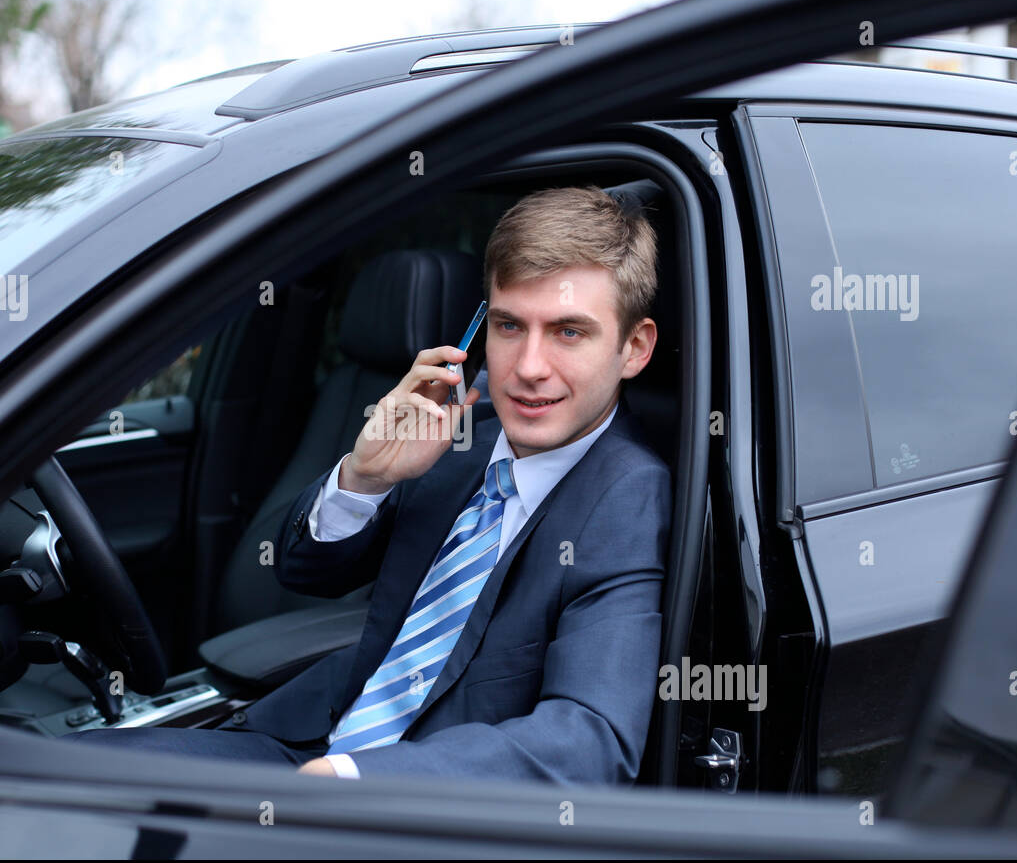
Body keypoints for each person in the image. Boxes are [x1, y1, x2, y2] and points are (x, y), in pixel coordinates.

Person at [67, 185, 672, 786]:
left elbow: (590, 739)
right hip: (303, 740)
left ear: (634, 348)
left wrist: (355, 782)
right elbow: (304, 571)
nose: (530, 366)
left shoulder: (628, 494)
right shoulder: (457, 437)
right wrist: (364, 478)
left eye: (569, 332)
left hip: (425, 806)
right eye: (510, 326)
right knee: (71, 774)